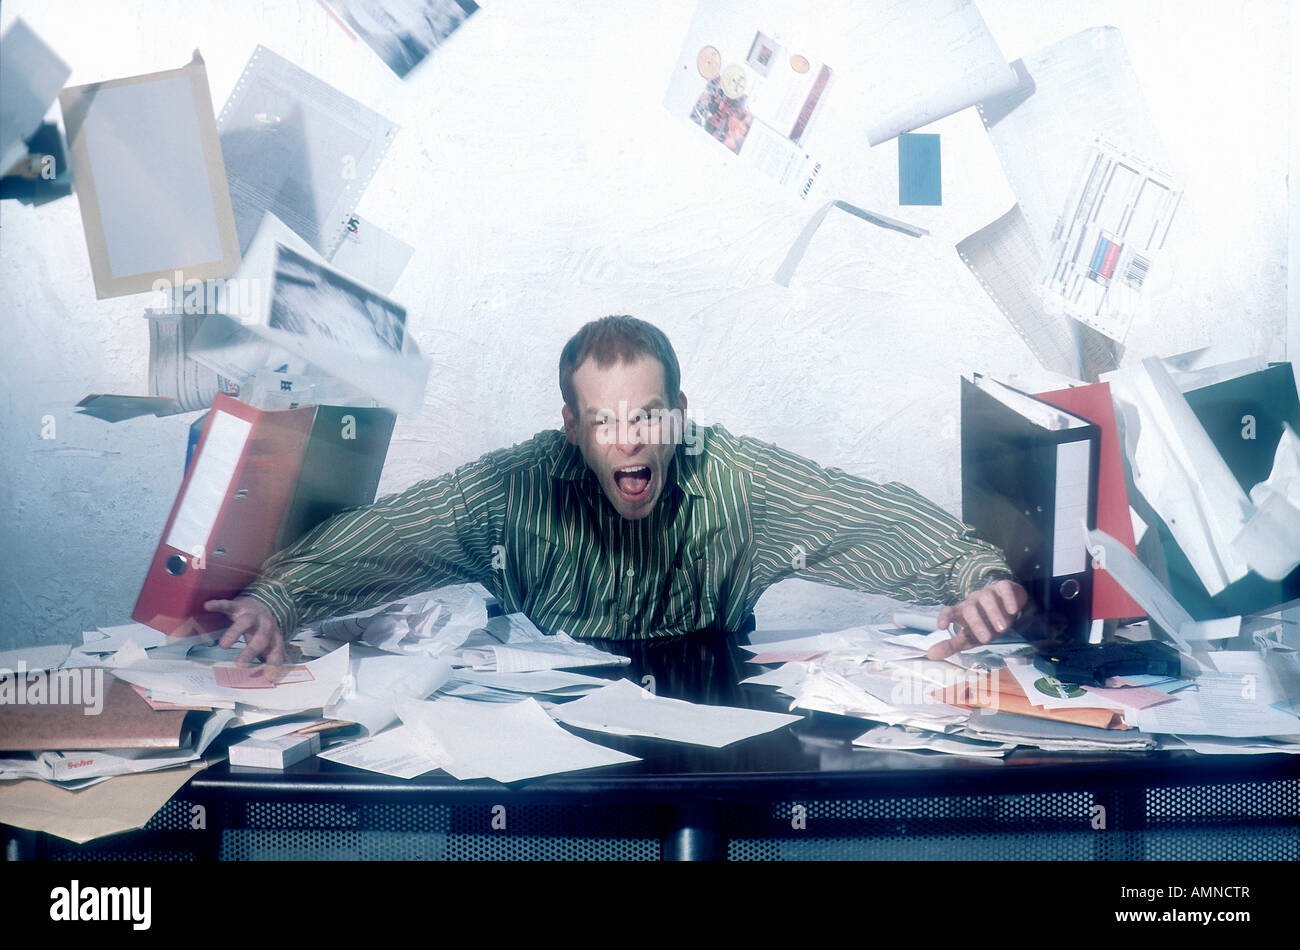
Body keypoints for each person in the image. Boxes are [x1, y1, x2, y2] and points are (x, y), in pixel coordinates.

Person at [207, 315, 1027, 665]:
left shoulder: (731, 476)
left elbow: (862, 516)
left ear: (679, 413)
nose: (630, 442)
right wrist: (279, 599)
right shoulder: (515, 488)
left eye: (647, 419)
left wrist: (973, 576)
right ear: (572, 427)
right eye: (604, 423)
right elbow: (394, 535)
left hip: (709, 748)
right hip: (554, 765)